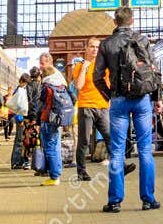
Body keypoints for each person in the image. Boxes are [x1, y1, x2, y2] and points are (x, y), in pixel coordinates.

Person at [92, 6, 161, 212]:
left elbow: (96, 77)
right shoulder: (143, 40)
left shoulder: (107, 44)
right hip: (142, 100)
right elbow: (153, 73)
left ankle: (115, 201)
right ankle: (148, 199)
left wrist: (110, 95)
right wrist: (156, 99)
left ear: (115, 22)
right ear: (132, 21)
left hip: (119, 101)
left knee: (117, 151)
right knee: (145, 150)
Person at [71, 36, 111, 182]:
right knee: (84, 141)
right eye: (92, 46)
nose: (95, 49)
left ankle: (119, 166)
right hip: (86, 107)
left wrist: (110, 101)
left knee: (110, 137)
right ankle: (81, 172)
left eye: (97, 47)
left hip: (102, 106)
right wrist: (84, 67)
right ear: (86, 48)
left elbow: (109, 85)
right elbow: (79, 86)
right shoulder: (79, 66)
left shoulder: (105, 67)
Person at [35, 53, 70, 186]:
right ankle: (57, 172)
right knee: (55, 146)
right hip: (58, 118)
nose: (40, 66)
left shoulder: (47, 85)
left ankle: (54, 176)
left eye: (42, 63)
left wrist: (37, 120)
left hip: (48, 118)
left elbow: (41, 104)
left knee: (50, 147)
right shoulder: (61, 82)